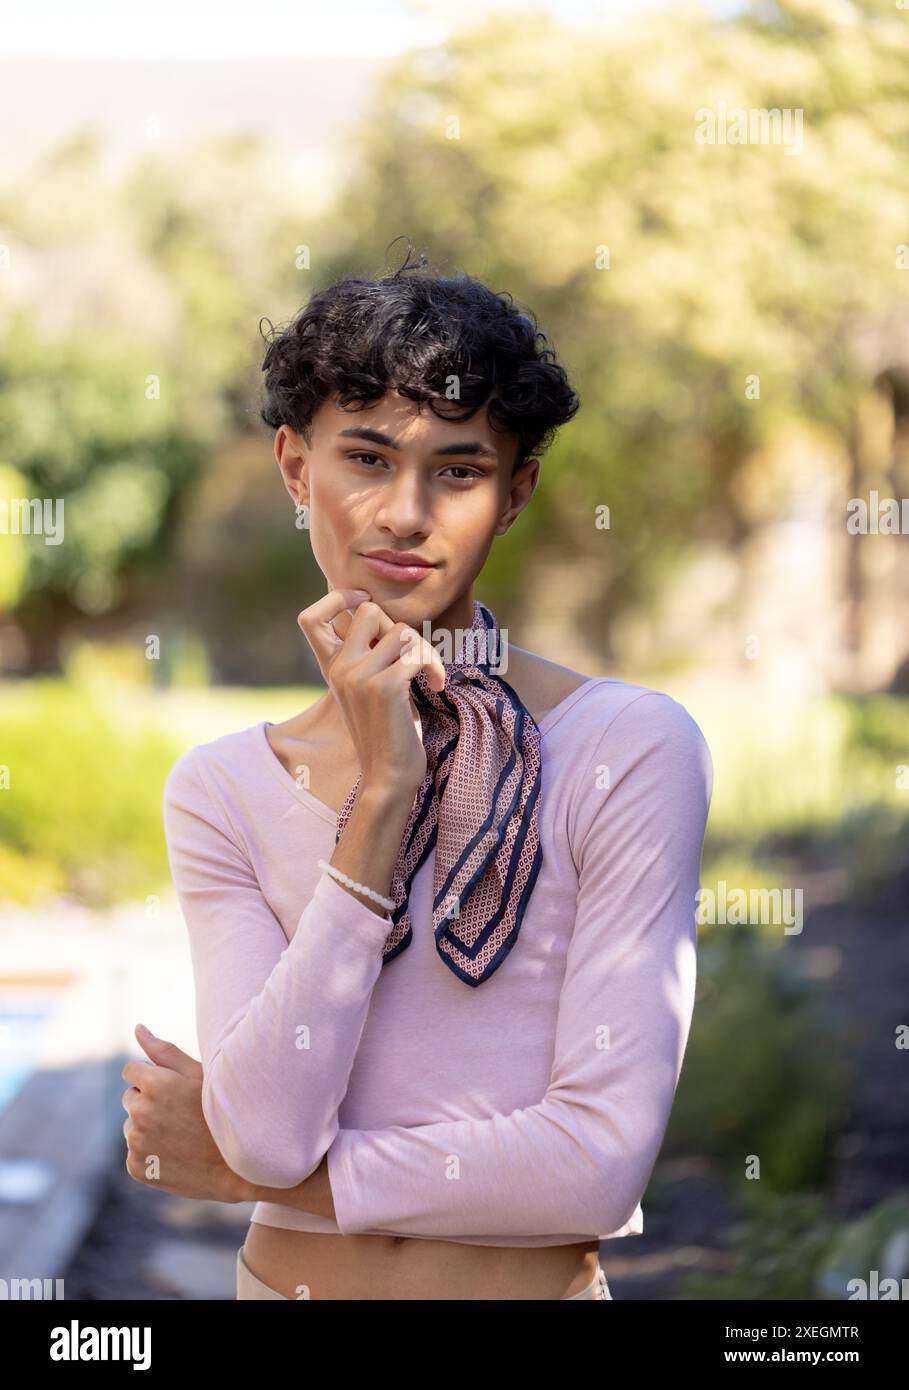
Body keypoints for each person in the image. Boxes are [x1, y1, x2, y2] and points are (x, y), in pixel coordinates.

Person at [123, 245, 713, 1300]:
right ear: (297, 471)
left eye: (458, 469)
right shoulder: (221, 789)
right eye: (365, 459)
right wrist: (385, 793)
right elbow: (266, 1127)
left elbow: (596, 1164)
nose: (405, 511)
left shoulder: (627, 748)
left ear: (516, 490)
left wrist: (283, 1183)